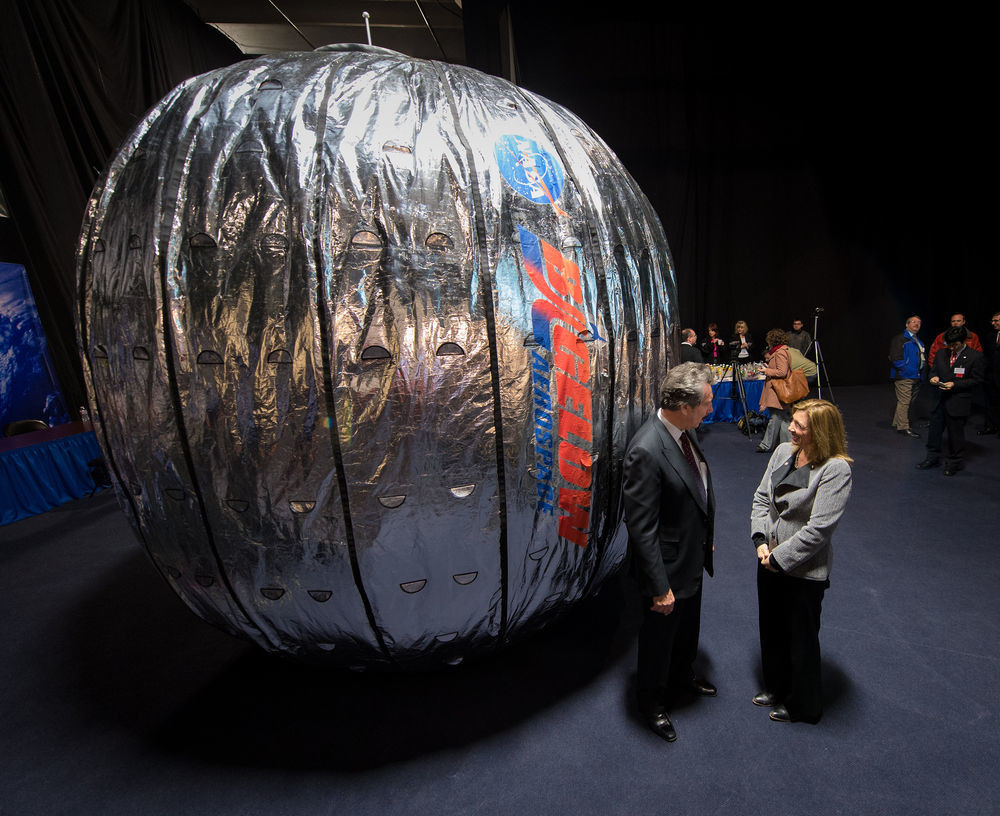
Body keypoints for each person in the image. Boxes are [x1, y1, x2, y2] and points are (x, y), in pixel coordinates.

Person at [623, 362, 717, 743]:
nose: (711, 409)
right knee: (658, 642)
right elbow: (641, 528)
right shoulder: (646, 449)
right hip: (666, 572)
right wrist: (659, 587)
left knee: (687, 631)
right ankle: (652, 703)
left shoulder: (683, 431)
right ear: (684, 405)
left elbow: (694, 488)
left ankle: (682, 676)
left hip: (690, 558)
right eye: (706, 403)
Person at [750, 399, 853, 724]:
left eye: (799, 425)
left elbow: (820, 529)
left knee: (801, 638)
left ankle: (804, 705)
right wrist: (760, 540)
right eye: (792, 421)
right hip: (768, 560)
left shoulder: (836, 469)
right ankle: (776, 687)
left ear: (819, 432)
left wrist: (779, 558)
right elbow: (762, 498)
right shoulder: (783, 451)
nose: (791, 428)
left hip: (802, 570)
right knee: (772, 629)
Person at [916, 326, 985, 475]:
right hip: (939, 399)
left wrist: (955, 384)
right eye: (949, 344)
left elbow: (977, 380)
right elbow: (933, 370)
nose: (951, 348)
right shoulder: (941, 353)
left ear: (963, 341)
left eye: (955, 345)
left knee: (955, 435)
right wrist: (933, 377)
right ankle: (932, 457)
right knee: (934, 433)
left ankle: (954, 462)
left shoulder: (975, 356)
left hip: (958, 401)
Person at [888, 315, 925, 438]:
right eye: (913, 322)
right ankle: (903, 427)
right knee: (905, 401)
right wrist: (906, 369)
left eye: (919, 322)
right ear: (907, 324)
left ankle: (897, 423)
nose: (916, 324)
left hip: (916, 376)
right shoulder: (900, 339)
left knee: (907, 401)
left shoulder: (918, 341)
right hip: (905, 376)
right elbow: (895, 358)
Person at [757, 328, 793, 453]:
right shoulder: (781, 351)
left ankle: (766, 445)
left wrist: (766, 371)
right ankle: (787, 445)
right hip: (778, 389)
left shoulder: (779, 353)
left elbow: (782, 372)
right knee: (783, 418)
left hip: (777, 390)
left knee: (775, 417)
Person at [978, 310, 1000, 435]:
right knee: (990, 403)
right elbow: (985, 355)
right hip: (991, 376)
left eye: (996, 321)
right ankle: (991, 426)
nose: (993, 323)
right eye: (992, 321)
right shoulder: (990, 336)